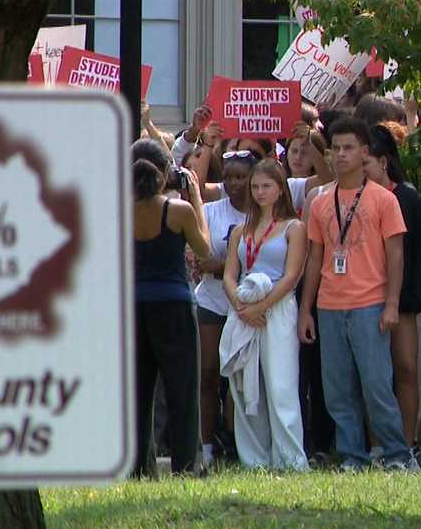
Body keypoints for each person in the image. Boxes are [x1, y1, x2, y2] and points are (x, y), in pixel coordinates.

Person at [297, 118, 414, 471]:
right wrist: (306, 310)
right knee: (337, 389)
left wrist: (391, 304)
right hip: (330, 305)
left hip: (369, 303)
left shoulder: (384, 199)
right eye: (336, 149)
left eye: (350, 148)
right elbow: (314, 257)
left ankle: (397, 455)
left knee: (377, 385)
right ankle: (353, 456)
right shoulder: (319, 202)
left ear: (365, 153)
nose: (342, 155)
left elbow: (396, 254)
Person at [221, 160, 309, 470]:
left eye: (266, 186)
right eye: (255, 186)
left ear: (280, 189)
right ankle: (254, 459)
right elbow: (231, 274)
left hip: (277, 307)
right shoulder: (240, 230)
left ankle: (290, 459)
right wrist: (242, 307)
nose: (260, 192)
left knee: (280, 384)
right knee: (246, 385)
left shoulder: (293, 227)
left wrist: (262, 307)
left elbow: (291, 275)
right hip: (244, 307)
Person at [132, 139, 211, 477]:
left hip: (134, 306)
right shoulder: (178, 211)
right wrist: (196, 199)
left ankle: (137, 467)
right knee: (182, 387)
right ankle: (187, 465)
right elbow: (204, 250)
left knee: (138, 391)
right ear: (166, 174)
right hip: (175, 304)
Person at [363, 125, 421, 452]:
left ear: (383, 161)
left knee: (406, 369)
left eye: (366, 162)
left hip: (403, 303)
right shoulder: (351, 200)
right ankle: (376, 444)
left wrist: (409, 300)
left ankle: (406, 445)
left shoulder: (409, 199)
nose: (358, 168)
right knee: (373, 377)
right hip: (362, 299)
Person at [191, 150, 256, 467]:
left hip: (247, 305)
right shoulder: (211, 211)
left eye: (241, 177)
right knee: (208, 372)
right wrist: (224, 268)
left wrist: (224, 266)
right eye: (228, 177)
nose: (234, 183)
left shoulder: (262, 214)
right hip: (213, 302)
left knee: (239, 377)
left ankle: (235, 442)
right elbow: (202, 260)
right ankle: (206, 447)